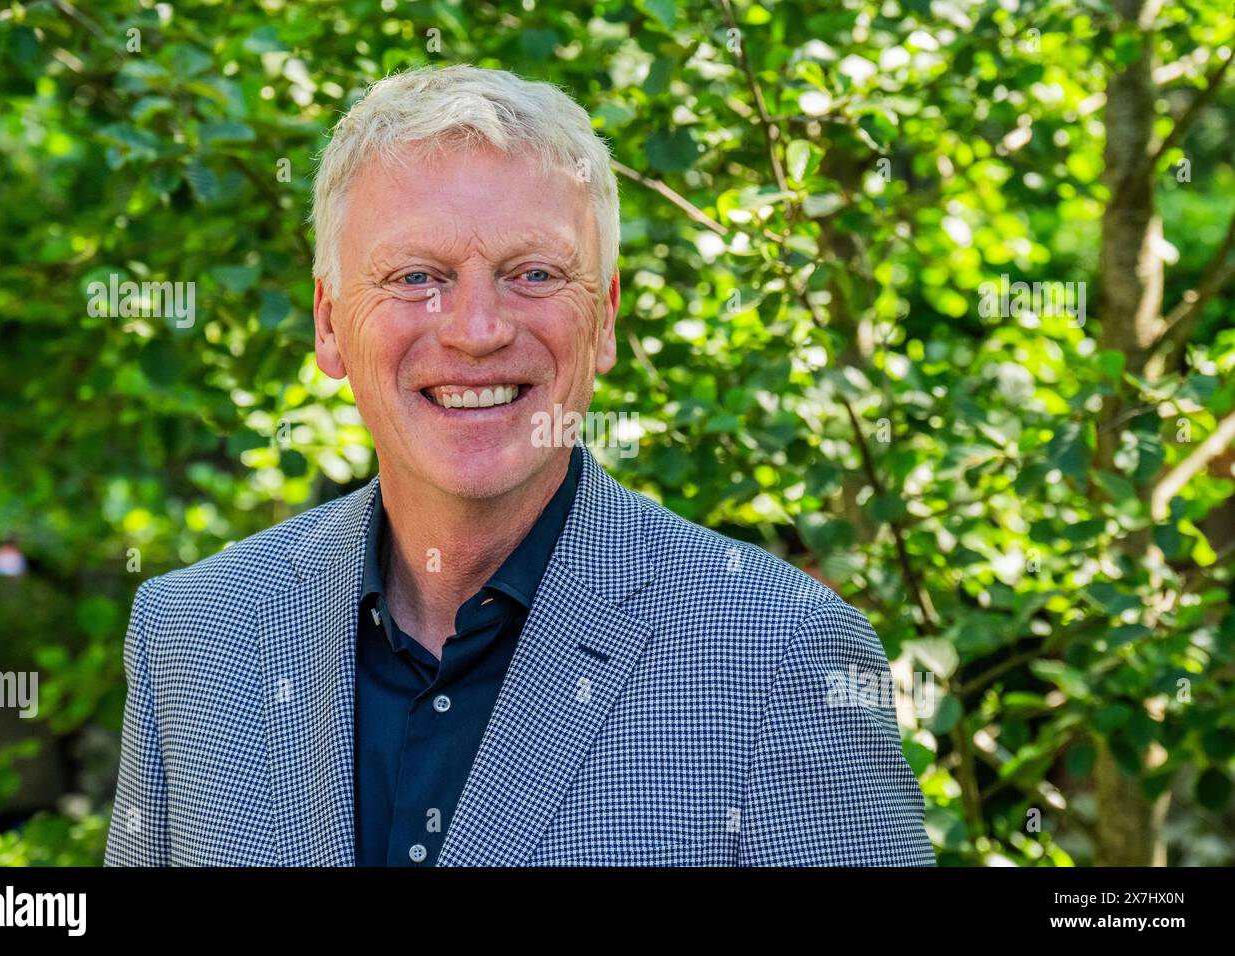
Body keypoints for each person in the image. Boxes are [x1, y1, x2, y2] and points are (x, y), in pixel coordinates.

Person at [104, 64, 934, 866]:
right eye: (416, 275)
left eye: (532, 273)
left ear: (603, 319)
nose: (475, 329)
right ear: (328, 324)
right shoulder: (195, 634)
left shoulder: (779, 653)